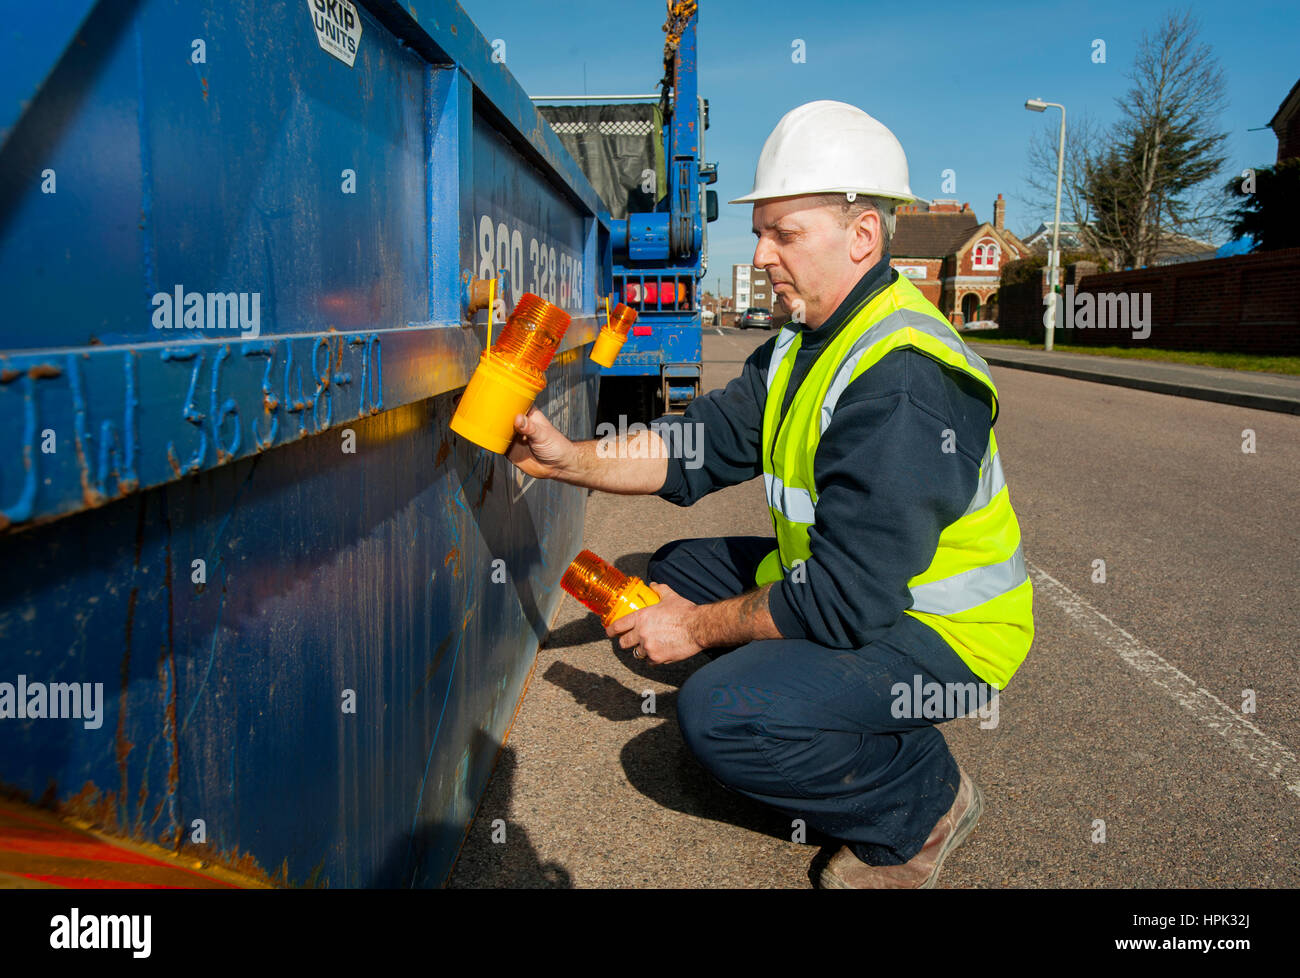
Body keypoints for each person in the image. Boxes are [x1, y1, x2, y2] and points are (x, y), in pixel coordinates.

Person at [506, 100, 1034, 889]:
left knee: (723, 713)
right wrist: (567, 458)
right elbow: (700, 447)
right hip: (863, 591)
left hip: (947, 633)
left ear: (863, 237)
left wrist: (693, 631)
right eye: (762, 232)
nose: (759, 254)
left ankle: (920, 804)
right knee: (676, 569)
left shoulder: (904, 381)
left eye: (784, 234)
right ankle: (816, 702)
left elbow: (844, 600)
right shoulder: (805, 342)